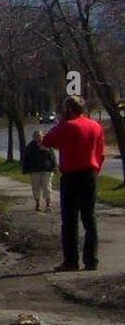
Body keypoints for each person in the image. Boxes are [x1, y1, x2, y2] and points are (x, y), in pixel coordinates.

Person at [40, 96, 106, 272]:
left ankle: (71, 261)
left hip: (71, 175)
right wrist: (95, 171)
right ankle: (91, 260)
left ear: (67, 110)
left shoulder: (67, 126)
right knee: (89, 219)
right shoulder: (95, 126)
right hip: (89, 174)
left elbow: (47, 141)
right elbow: (101, 154)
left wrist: (62, 121)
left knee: (70, 221)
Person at [21, 129, 56, 212]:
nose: (38, 137)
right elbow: (26, 158)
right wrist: (25, 169)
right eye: (36, 136)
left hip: (46, 170)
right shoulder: (30, 147)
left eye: (39, 136)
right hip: (34, 170)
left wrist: (54, 167)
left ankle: (48, 204)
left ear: (42, 136)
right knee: (35, 187)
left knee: (47, 186)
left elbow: (52, 157)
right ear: (33, 137)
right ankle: (37, 204)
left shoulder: (47, 145)